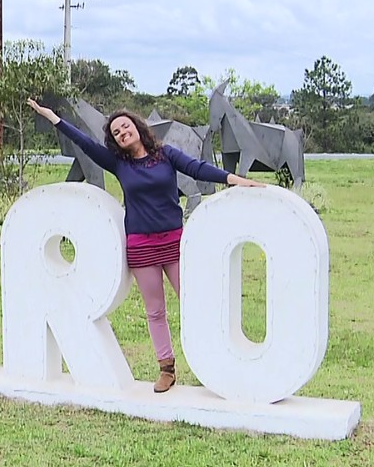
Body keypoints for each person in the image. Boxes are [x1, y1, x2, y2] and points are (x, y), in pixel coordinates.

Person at [26, 98, 265, 393]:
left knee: (194, 302)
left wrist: (235, 180)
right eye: (116, 132)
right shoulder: (119, 163)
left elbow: (198, 168)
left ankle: (218, 362)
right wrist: (53, 118)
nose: (122, 132)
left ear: (137, 127)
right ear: (115, 142)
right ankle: (167, 369)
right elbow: (85, 143)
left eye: (125, 126)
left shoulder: (165, 155)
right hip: (141, 246)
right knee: (155, 311)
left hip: (174, 242)